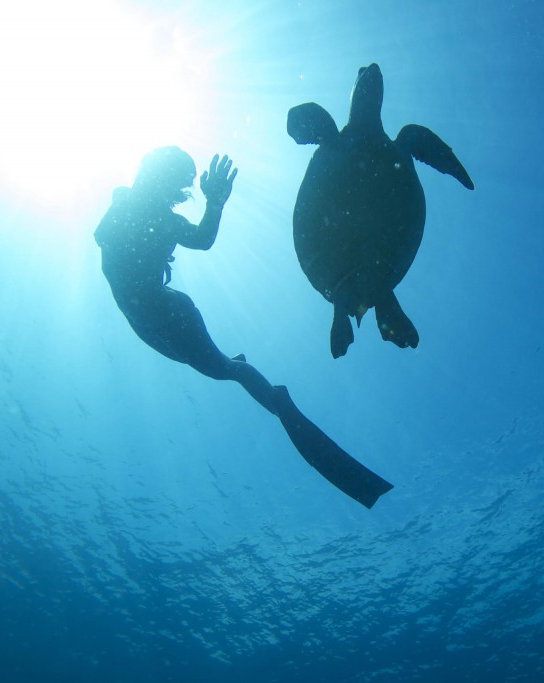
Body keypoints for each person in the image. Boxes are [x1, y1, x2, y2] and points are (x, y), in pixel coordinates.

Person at [95, 147, 392, 508]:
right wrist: (197, 205)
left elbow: (201, 239)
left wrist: (216, 203)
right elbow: (107, 234)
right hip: (147, 322)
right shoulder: (132, 208)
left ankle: (274, 399)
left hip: (167, 313)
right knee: (220, 368)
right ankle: (238, 367)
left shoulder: (160, 218)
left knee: (225, 371)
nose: (173, 189)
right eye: (174, 180)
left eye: (176, 183)